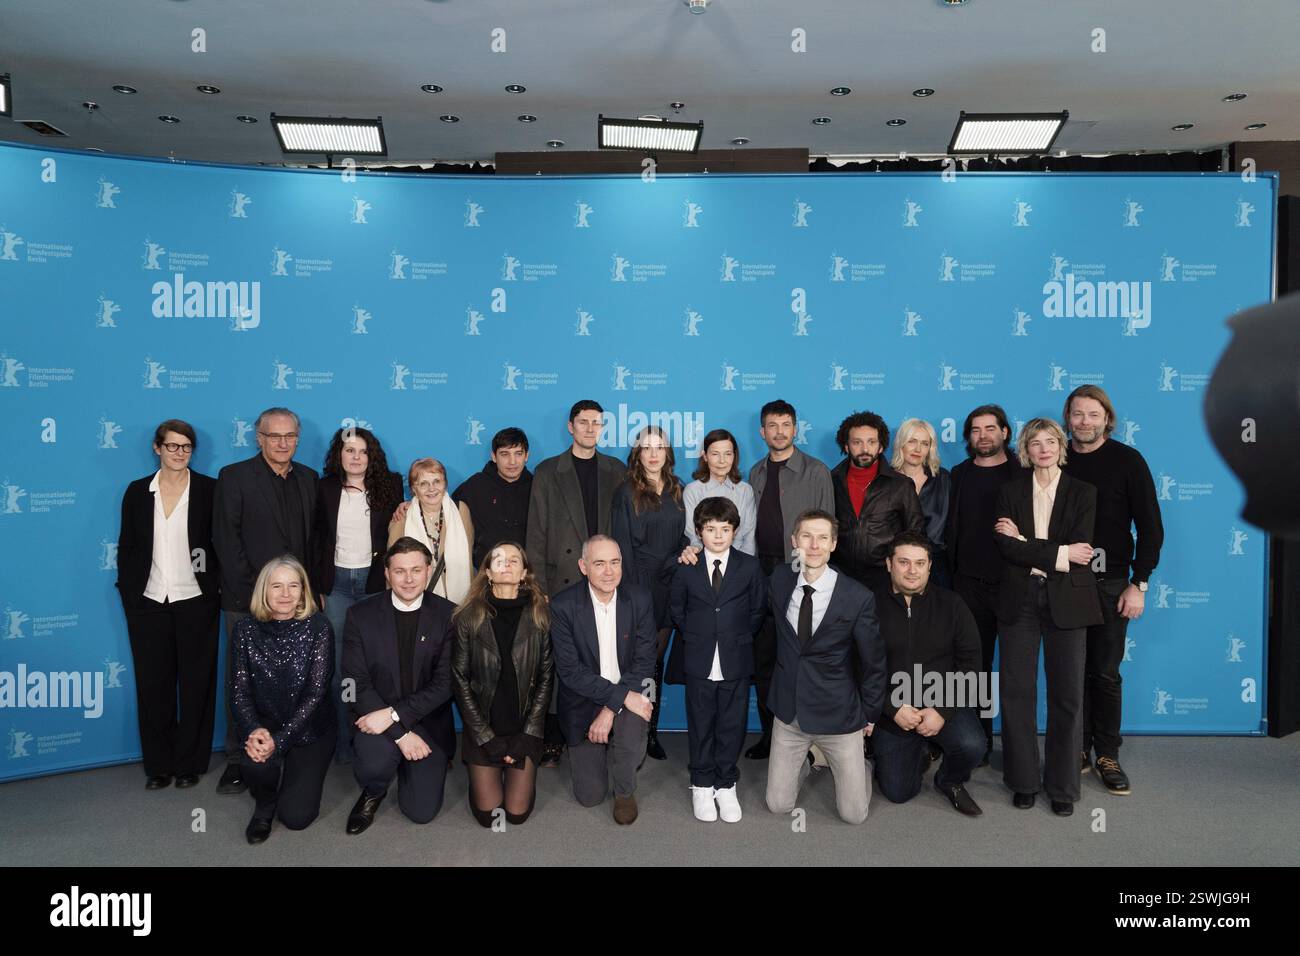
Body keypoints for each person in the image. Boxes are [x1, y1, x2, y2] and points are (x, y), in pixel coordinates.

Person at [994, 418, 1103, 817]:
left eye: (1050, 441)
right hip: (1019, 600)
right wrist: (1055, 553)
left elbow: (1082, 547)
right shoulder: (1009, 492)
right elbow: (1007, 548)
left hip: (1068, 602)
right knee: (1017, 692)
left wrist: (1026, 543)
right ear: (1025, 449)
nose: (1043, 449)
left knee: (1068, 696)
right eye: (1035, 443)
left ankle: (1063, 786)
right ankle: (1022, 780)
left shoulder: (1083, 492)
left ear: (1062, 446)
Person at [1061, 385, 1164, 795]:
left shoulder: (1128, 461)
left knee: (1104, 673)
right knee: (1069, 674)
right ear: (1067, 417)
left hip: (1111, 584)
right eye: (1077, 414)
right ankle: (1075, 750)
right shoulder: (1054, 457)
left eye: (1092, 414)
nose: (1084, 422)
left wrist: (1139, 584)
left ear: (1107, 419)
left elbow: (1151, 528)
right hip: (1062, 582)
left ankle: (1107, 753)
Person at [213, 406, 319, 795]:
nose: (282, 443)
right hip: (247, 601)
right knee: (242, 681)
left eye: (289, 436)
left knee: (296, 679)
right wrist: (258, 599)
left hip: (297, 601)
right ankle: (240, 758)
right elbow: (227, 541)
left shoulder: (309, 478)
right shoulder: (235, 477)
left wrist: (304, 594)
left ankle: (288, 744)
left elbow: (314, 542)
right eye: (274, 436)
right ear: (258, 438)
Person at [116, 419, 221, 790]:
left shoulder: (209, 490)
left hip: (196, 599)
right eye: (172, 446)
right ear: (157, 448)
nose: (179, 453)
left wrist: (214, 589)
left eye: (186, 447)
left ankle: (190, 762)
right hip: (149, 600)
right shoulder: (137, 492)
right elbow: (127, 545)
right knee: (154, 685)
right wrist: (129, 593)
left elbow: (218, 544)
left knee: (197, 685)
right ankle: (158, 765)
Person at [765, 510, 886, 825]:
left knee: (854, 815)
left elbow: (874, 663)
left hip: (839, 715)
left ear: (834, 544)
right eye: (806, 536)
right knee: (778, 804)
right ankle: (806, 760)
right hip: (790, 712)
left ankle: (862, 765)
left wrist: (870, 714)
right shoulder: (779, 580)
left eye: (822, 538)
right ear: (795, 541)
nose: (814, 545)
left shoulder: (857, 597)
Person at [526, 400, 626, 767]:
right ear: (570, 426)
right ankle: (554, 735)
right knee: (559, 662)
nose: (589, 429)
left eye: (596, 423)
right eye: (582, 422)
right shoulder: (549, 471)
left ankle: (607, 723)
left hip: (603, 578)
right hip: (561, 581)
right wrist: (540, 586)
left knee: (602, 654)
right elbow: (535, 532)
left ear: (602, 428)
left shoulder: (616, 470)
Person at [341, 538, 457, 835]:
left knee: (421, 813)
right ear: (386, 573)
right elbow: (354, 683)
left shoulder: (450, 615)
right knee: (374, 764)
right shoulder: (360, 615)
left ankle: (411, 769)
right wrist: (400, 733)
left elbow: (445, 684)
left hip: (426, 722)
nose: (408, 579)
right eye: (400, 571)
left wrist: (394, 716)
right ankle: (374, 791)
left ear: (429, 571)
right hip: (375, 718)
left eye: (416, 570)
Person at [869, 532, 985, 816]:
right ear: (889, 564)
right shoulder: (868, 605)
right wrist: (890, 708)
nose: (912, 571)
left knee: (972, 745)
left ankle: (950, 780)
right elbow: (858, 665)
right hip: (894, 709)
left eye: (920, 563)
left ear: (930, 566)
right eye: (904, 562)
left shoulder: (952, 604)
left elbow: (971, 665)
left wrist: (942, 711)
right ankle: (918, 752)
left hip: (941, 701)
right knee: (898, 792)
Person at [745, 399, 834, 760]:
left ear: (795, 429)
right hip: (761, 577)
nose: (779, 432)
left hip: (799, 576)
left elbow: (827, 529)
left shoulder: (816, 471)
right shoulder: (756, 472)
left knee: (801, 660)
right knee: (764, 661)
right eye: (771, 425)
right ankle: (771, 737)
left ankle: (812, 740)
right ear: (762, 431)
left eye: (785, 425)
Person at [668, 497, 766, 823]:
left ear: (735, 531)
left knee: (732, 723)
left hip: (735, 658)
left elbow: (756, 611)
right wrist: (699, 635)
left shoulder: (750, 566)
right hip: (698, 657)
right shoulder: (686, 566)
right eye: (711, 529)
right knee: (700, 723)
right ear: (699, 532)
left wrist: (734, 636)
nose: (719, 536)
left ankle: (726, 783)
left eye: (725, 529)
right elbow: (677, 610)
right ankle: (701, 782)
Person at [547, 536, 656, 824]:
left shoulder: (640, 599)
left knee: (631, 732)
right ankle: (600, 751)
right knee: (590, 796)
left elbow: (644, 661)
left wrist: (611, 709)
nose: (609, 572)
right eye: (599, 564)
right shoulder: (563, 606)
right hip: (583, 699)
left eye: (615, 562)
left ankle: (624, 790)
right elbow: (570, 672)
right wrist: (617, 700)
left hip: (629, 691)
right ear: (583, 567)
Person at [312, 425, 403, 763]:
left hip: (374, 584)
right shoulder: (323, 488)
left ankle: (381, 738)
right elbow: (315, 540)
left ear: (372, 456)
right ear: (339, 454)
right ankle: (345, 744)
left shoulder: (389, 486)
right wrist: (316, 587)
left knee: (379, 665)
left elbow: (397, 531)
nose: (356, 457)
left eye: (363, 451)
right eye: (349, 450)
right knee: (338, 671)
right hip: (335, 586)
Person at [230, 556, 335, 844]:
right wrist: (254, 730)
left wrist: (281, 739)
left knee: (296, 818)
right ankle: (264, 805)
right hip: (264, 723)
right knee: (254, 763)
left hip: (311, 729)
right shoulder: (244, 630)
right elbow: (239, 691)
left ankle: (288, 780)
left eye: (293, 586)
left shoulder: (319, 628)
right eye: (277, 586)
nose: (286, 594)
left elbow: (316, 694)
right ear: (264, 590)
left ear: (304, 590)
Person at [451, 542, 554, 827]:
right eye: (498, 560)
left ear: (524, 573)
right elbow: (459, 679)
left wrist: (528, 734)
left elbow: (546, 678)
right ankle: (488, 763)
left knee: (517, 814)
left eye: (514, 560)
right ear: (487, 571)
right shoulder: (467, 617)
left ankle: (517, 759)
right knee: (489, 816)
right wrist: (486, 737)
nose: (506, 565)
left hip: (523, 726)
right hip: (483, 726)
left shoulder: (540, 615)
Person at [943, 404, 1023, 763]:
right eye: (975, 430)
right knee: (974, 668)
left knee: (1016, 668)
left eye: (991, 428)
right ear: (968, 437)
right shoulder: (957, 474)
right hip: (968, 585)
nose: (983, 436)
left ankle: (1018, 750)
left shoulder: (1024, 471)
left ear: (1005, 433)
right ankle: (979, 740)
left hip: (1014, 583)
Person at [610, 424, 686, 761]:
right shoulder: (625, 492)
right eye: (647, 447)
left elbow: (686, 535)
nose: (654, 454)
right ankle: (628, 732)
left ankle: (650, 731)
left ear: (667, 453)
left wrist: (686, 550)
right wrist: (630, 593)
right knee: (634, 663)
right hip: (637, 586)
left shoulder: (678, 489)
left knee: (655, 662)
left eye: (660, 447)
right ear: (638, 454)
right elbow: (622, 546)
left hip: (670, 584)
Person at [829, 409, 924, 594]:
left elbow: (915, 533)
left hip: (885, 577)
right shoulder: (830, 481)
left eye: (871, 442)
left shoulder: (901, 485)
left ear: (881, 446)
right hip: (840, 576)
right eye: (857, 442)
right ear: (846, 446)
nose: (865, 449)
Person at [390, 458, 473, 605]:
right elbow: (393, 566)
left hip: (460, 602)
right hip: (418, 603)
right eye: (423, 484)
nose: (431, 488)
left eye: (437, 481)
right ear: (414, 489)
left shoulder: (461, 510)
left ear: (445, 484)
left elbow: (468, 557)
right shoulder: (402, 517)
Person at [452, 426, 534, 569]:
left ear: (526, 455)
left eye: (518, 453)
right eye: (504, 454)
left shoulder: (538, 487)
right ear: (494, 456)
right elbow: (445, 508)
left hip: (527, 573)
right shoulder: (475, 485)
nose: (512, 461)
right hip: (486, 574)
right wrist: (412, 505)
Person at [891, 418, 952, 587]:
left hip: (937, 566)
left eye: (925, 443)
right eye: (912, 441)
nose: (918, 449)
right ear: (901, 444)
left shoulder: (943, 479)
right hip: (897, 565)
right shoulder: (886, 480)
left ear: (930, 448)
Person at [681, 428, 756, 555]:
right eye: (715, 454)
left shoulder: (745, 490)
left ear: (734, 456)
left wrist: (743, 566)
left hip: (739, 562)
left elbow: (749, 536)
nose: (722, 461)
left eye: (727, 454)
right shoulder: (692, 491)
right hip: (703, 563)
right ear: (705, 456)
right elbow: (693, 536)